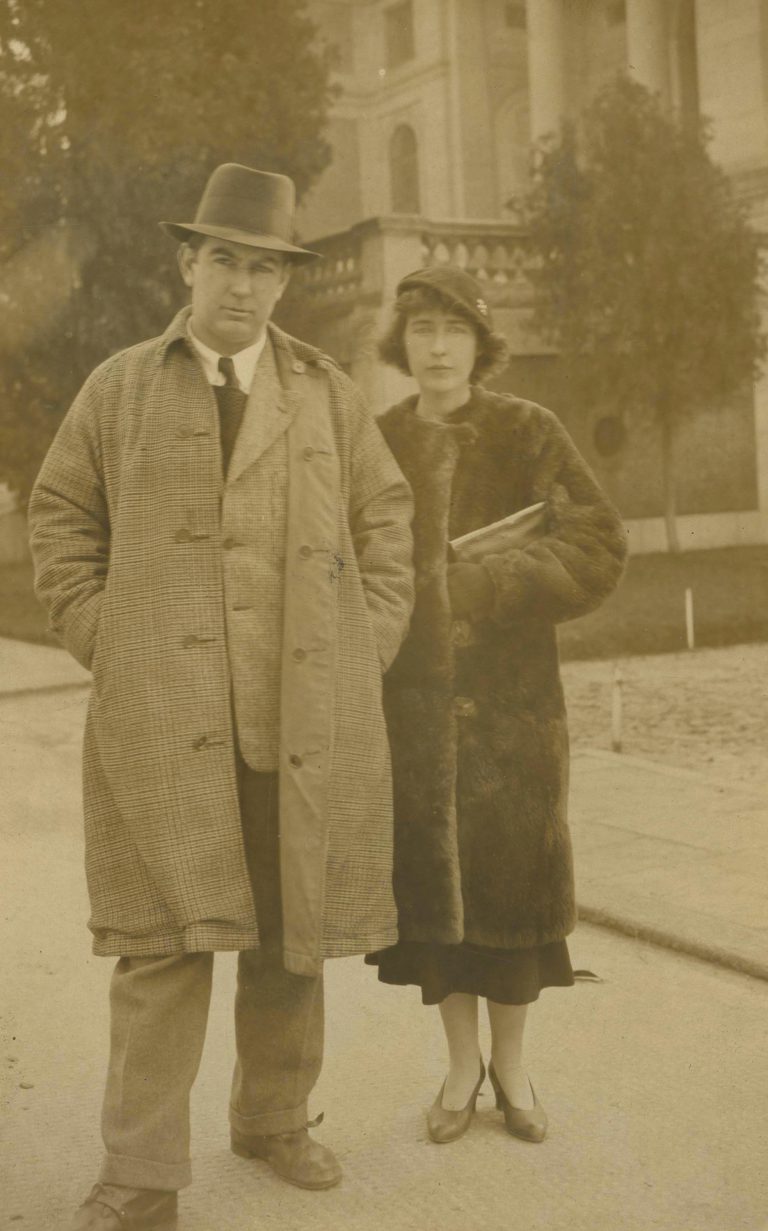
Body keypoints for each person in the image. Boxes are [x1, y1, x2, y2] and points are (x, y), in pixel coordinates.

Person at [28, 163, 414, 1231]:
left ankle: (274, 1119)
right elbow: (61, 517)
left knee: (292, 927)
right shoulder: (118, 388)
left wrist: (361, 642)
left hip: (299, 715)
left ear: (285, 281)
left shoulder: (329, 394)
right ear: (187, 263)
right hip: (165, 714)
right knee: (161, 942)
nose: (243, 288)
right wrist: (106, 636)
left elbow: (387, 524)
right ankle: (142, 1173)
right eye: (225, 262)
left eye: (265, 268)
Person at [367, 265, 626, 1146]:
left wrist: (488, 582)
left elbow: (599, 541)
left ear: (481, 343)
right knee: (439, 909)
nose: (436, 346)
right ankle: (459, 1066)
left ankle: (512, 1069)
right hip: (413, 718)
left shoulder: (529, 431)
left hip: (515, 720)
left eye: (454, 329)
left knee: (513, 900)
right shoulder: (380, 440)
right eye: (421, 328)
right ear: (400, 342)